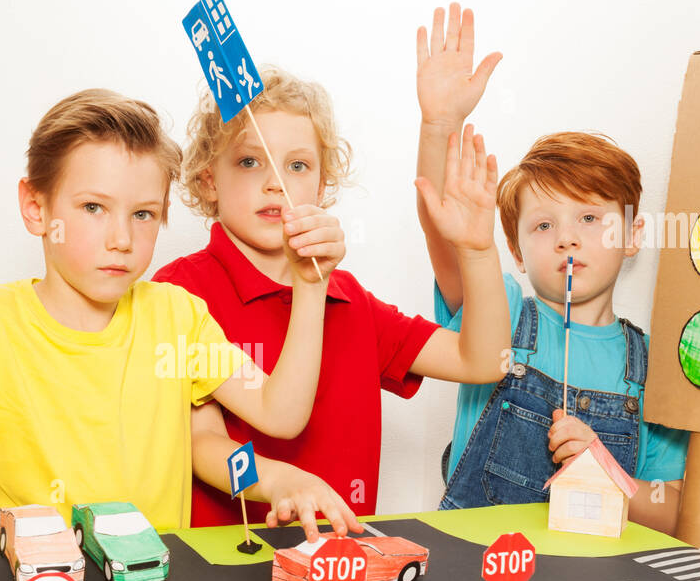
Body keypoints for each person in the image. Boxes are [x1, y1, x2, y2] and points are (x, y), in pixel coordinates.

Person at [0, 89, 363, 581]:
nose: (121, 238)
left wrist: (309, 287)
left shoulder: (177, 316)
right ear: (36, 208)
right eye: (94, 208)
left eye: (143, 214)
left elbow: (280, 414)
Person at [154, 67, 510, 526]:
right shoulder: (179, 293)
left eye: (297, 165)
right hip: (229, 569)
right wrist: (279, 481)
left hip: (341, 569)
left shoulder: (350, 301)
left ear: (321, 187)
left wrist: (478, 250)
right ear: (208, 181)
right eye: (249, 162)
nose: (275, 184)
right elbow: (202, 447)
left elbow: (484, 362)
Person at [416, 4, 688, 536]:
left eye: (589, 217)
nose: (566, 236)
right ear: (515, 252)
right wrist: (438, 126)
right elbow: (445, 234)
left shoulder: (655, 368)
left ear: (633, 235)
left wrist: (606, 468)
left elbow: (677, 512)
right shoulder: (503, 313)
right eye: (542, 226)